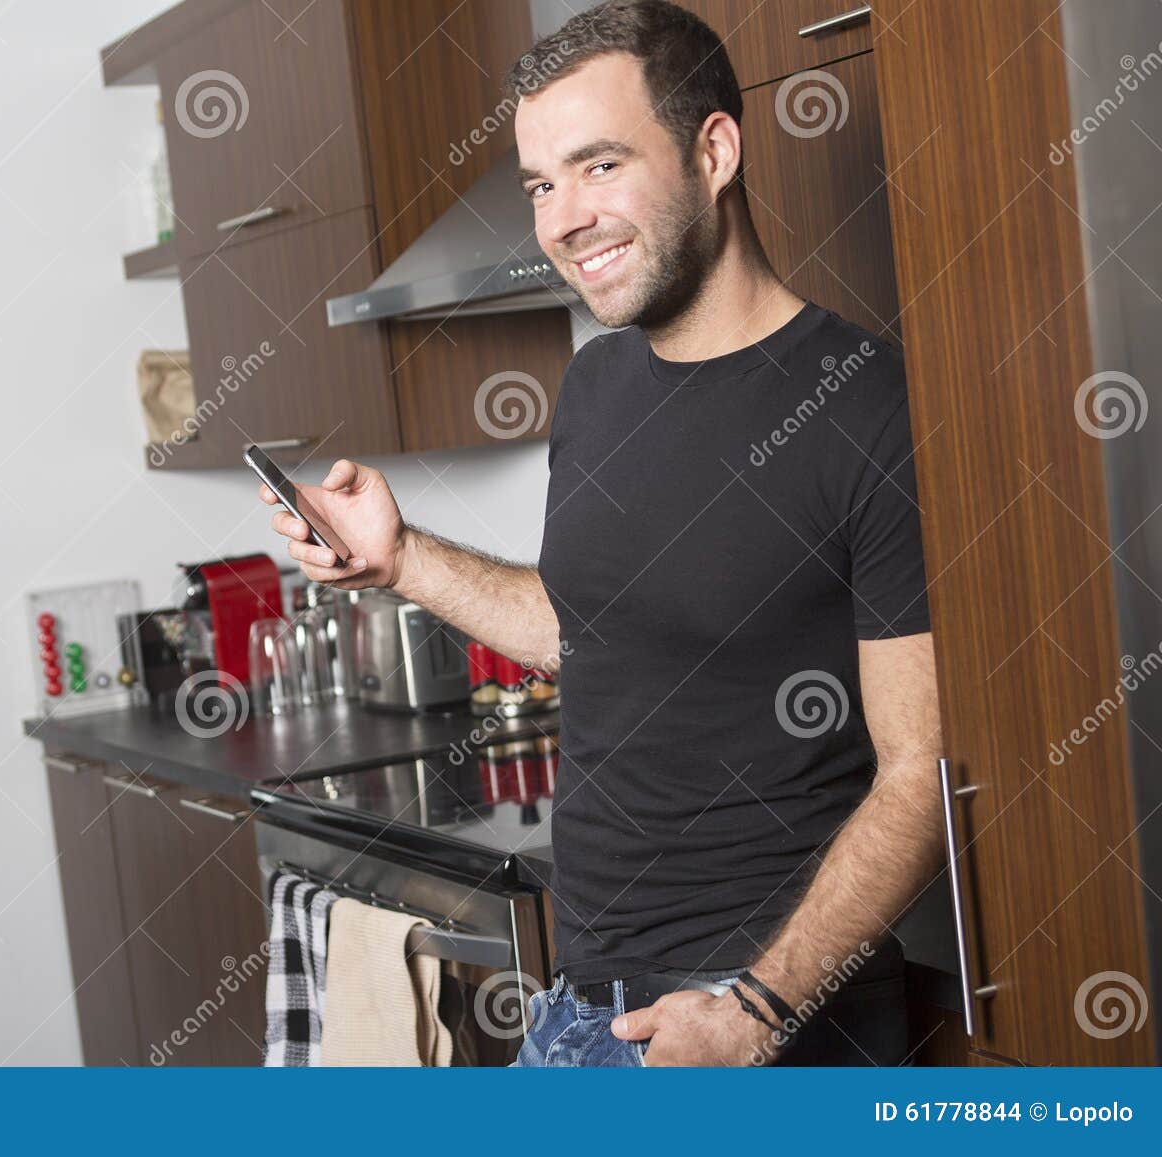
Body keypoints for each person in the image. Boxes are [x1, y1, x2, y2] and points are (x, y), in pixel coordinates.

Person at [260, 0, 941, 1067]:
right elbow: (598, 632)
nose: (561, 218)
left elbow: (921, 769)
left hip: (751, 1030)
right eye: (540, 183)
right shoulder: (598, 382)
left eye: (599, 165)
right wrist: (402, 556)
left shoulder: (865, 408)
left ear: (713, 149)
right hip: (581, 1013)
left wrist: (757, 1011)